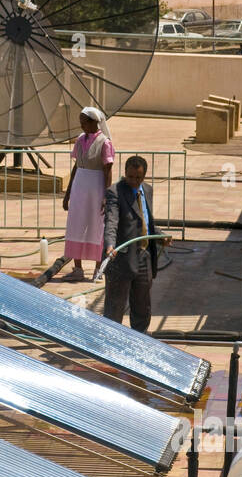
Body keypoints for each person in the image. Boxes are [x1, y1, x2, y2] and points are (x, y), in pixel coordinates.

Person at [102, 154, 171, 332]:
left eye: (138, 177)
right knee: (115, 305)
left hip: (144, 256)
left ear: (144, 176)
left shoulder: (147, 190)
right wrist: (110, 244)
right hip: (121, 258)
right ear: (125, 173)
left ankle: (140, 338)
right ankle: (111, 340)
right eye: (130, 176)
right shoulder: (114, 192)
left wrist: (160, 236)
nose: (134, 181)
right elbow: (111, 221)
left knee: (142, 303)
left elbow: (146, 222)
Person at [62, 107, 114, 281]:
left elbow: (108, 171)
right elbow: (76, 166)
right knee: (76, 225)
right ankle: (78, 269)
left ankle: (98, 269)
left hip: (96, 189)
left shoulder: (104, 142)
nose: (82, 125)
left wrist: (107, 196)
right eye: (81, 122)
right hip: (79, 188)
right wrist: (67, 194)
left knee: (96, 226)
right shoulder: (80, 140)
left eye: (85, 122)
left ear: (94, 122)